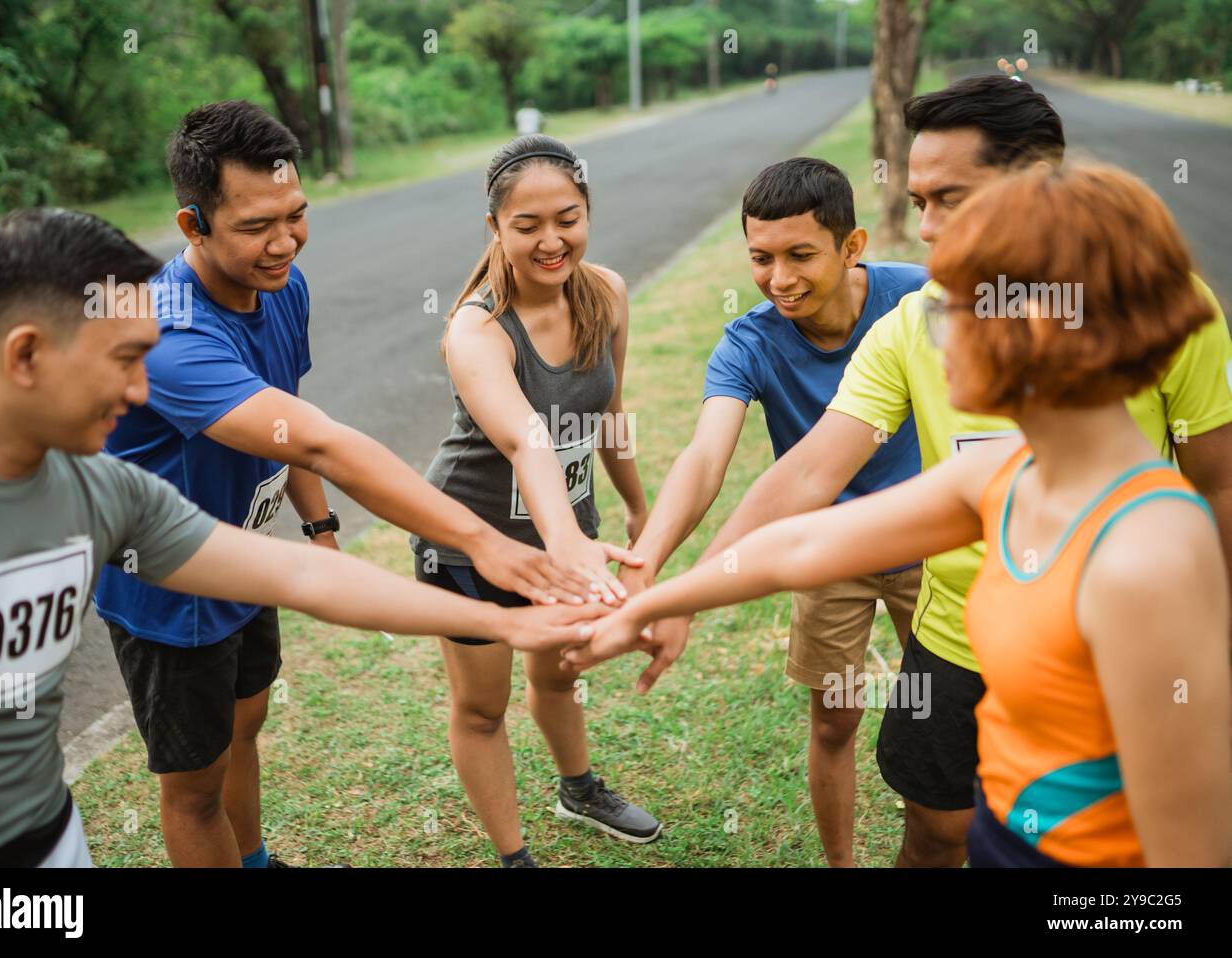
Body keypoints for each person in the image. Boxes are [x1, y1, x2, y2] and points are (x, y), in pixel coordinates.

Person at [615, 74, 1232, 867]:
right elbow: (805, 512)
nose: (927, 234)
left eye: (953, 202)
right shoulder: (987, 466)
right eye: (919, 200)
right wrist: (665, 596)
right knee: (940, 829)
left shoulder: (1147, 559)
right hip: (951, 649)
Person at [0, 208, 605, 868]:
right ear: (26, 354)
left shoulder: (105, 489)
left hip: (52, 840)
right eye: (125, 360)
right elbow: (319, 445)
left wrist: (503, 620)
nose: (142, 389)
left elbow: (301, 577)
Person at [94, 102, 599, 869]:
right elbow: (322, 440)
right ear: (193, 226)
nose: (285, 241)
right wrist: (482, 542)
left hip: (245, 557)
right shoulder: (172, 334)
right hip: (171, 588)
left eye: (296, 215)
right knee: (194, 787)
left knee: (246, 723)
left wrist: (321, 531)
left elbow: (288, 417)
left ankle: (256, 859)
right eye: (257, 225)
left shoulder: (281, 286)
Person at [617, 156, 927, 866]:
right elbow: (704, 459)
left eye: (799, 256)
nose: (779, 279)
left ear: (853, 247)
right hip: (825, 549)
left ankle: (931, 848)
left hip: (928, 545)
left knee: (938, 718)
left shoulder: (917, 300)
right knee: (834, 720)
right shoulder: (749, 341)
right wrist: (651, 566)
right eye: (761, 258)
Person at [412, 134, 658, 867]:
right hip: (470, 540)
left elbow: (607, 412)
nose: (552, 241)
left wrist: (635, 505)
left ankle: (578, 788)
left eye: (568, 217)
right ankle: (515, 858)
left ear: (587, 212)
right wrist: (568, 548)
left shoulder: (607, 294)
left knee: (561, 671)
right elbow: (529, 441)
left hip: (566, 529)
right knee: (483, 707)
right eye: (528, 226)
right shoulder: (477, 329)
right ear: (496, 228)